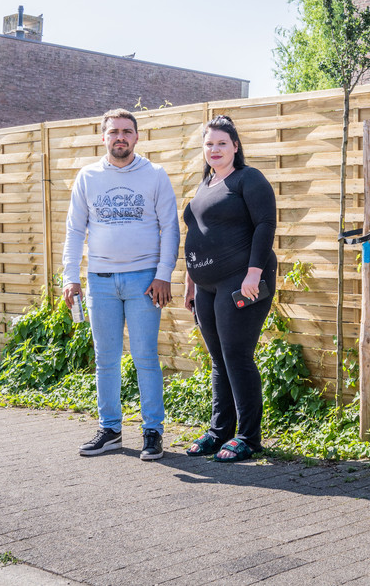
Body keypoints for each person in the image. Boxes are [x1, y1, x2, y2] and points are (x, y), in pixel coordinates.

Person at [62, 109, 178, 461]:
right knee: (106, 360)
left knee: (146, 358)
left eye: (127, 131)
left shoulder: (155, 174)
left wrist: (163, 274)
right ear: (103, 137)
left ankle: (153, 432)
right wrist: (70, 277)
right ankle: (110, 430)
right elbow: (74, 231)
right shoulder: (88, 176)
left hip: (145, 280)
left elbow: (170, 227)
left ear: (137, 137)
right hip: (99, 282)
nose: (120, 137)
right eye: (114, 132)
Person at [182, 114, 277, 462]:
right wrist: (190, 280)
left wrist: (253, 273)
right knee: (218, 359)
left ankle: (249, 438)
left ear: (235, 147)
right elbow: (200, 235)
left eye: (222, 143)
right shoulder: (205, 185)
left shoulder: (247, 179)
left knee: (237, 355)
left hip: (242, 280)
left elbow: (266, 224)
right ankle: (220, 431)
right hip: (205, 286)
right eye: (209, 144)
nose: (215, 149)